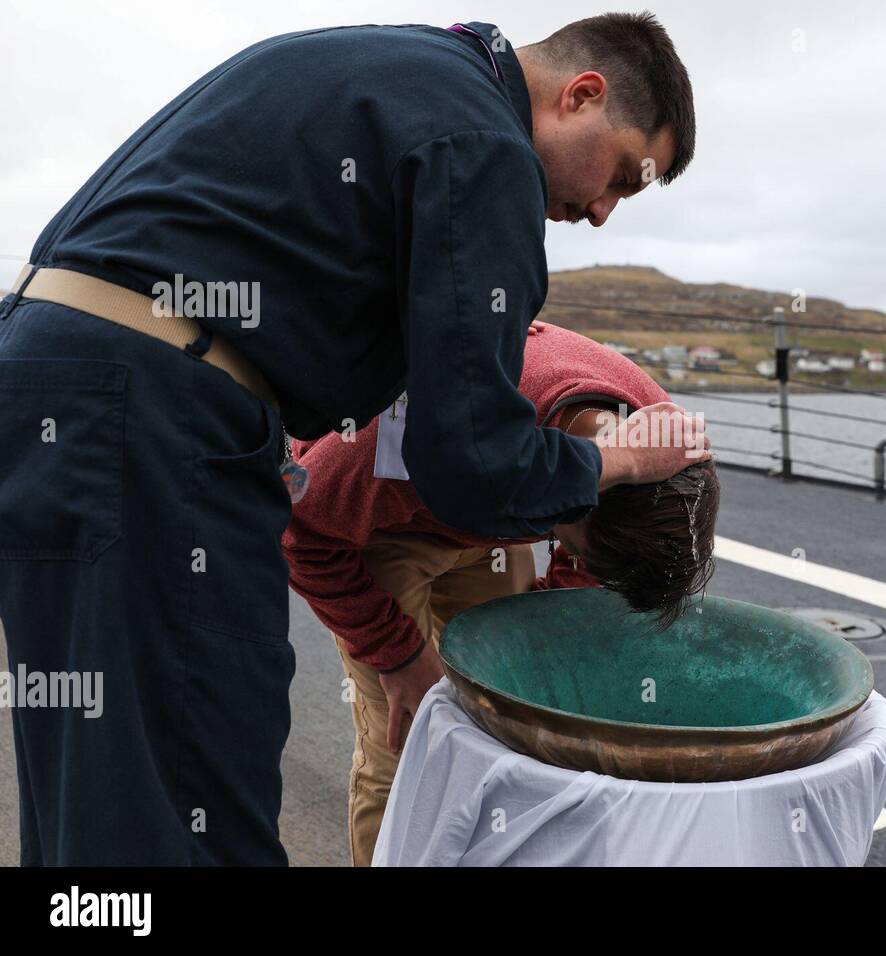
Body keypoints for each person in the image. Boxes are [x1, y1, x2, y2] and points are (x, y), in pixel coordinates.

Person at [0, 14, 701, 865]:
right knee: (190, 793)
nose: (599, 212)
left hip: (58, 377)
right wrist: (623, 459)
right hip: (157, 415)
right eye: (623, 176)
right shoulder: (484, 141)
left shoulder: (401, 68)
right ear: (580, 95)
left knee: (96, 783)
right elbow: (474, 462)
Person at [284, 320, 719, 864]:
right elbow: (303, 534)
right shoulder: (427, 422)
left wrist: (552, 603)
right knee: (405, 748)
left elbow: (603, 552)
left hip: (497, 520)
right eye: (577, 550)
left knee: (507, 720)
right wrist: (396, 656)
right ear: (577, 497)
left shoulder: (659, 441)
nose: (576, 561)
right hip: (384, 523)